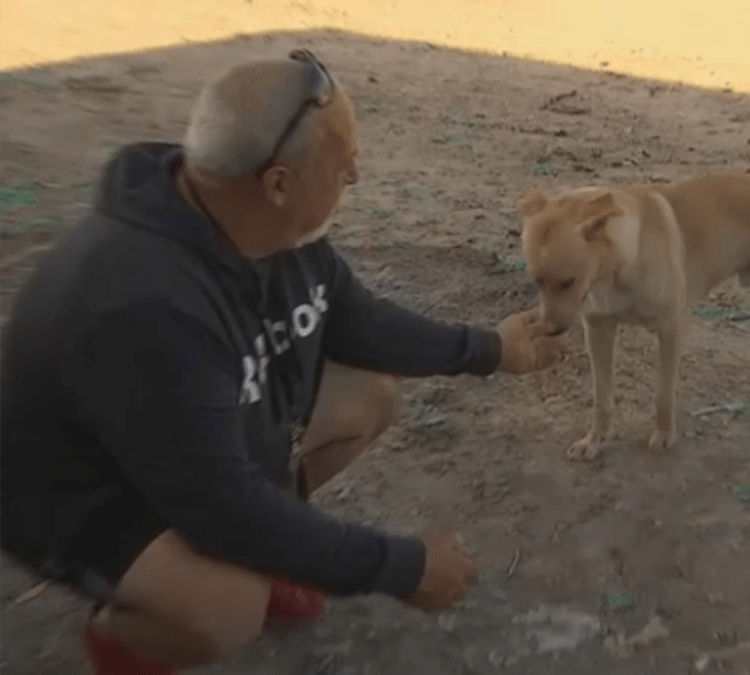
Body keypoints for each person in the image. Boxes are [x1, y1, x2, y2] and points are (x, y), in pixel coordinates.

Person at [0, 48, 562, 675]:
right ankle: (121, 641)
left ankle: (264, 559)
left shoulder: (259, 222)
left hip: (185, 449)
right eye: (343, 164)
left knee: (369, 396)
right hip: (87, 495)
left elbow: (362, 324)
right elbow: (224, 509)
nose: (354, 177)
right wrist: (403, 567)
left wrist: (492, 348)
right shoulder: (145, 304)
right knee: (227, 607)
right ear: (278, 185)